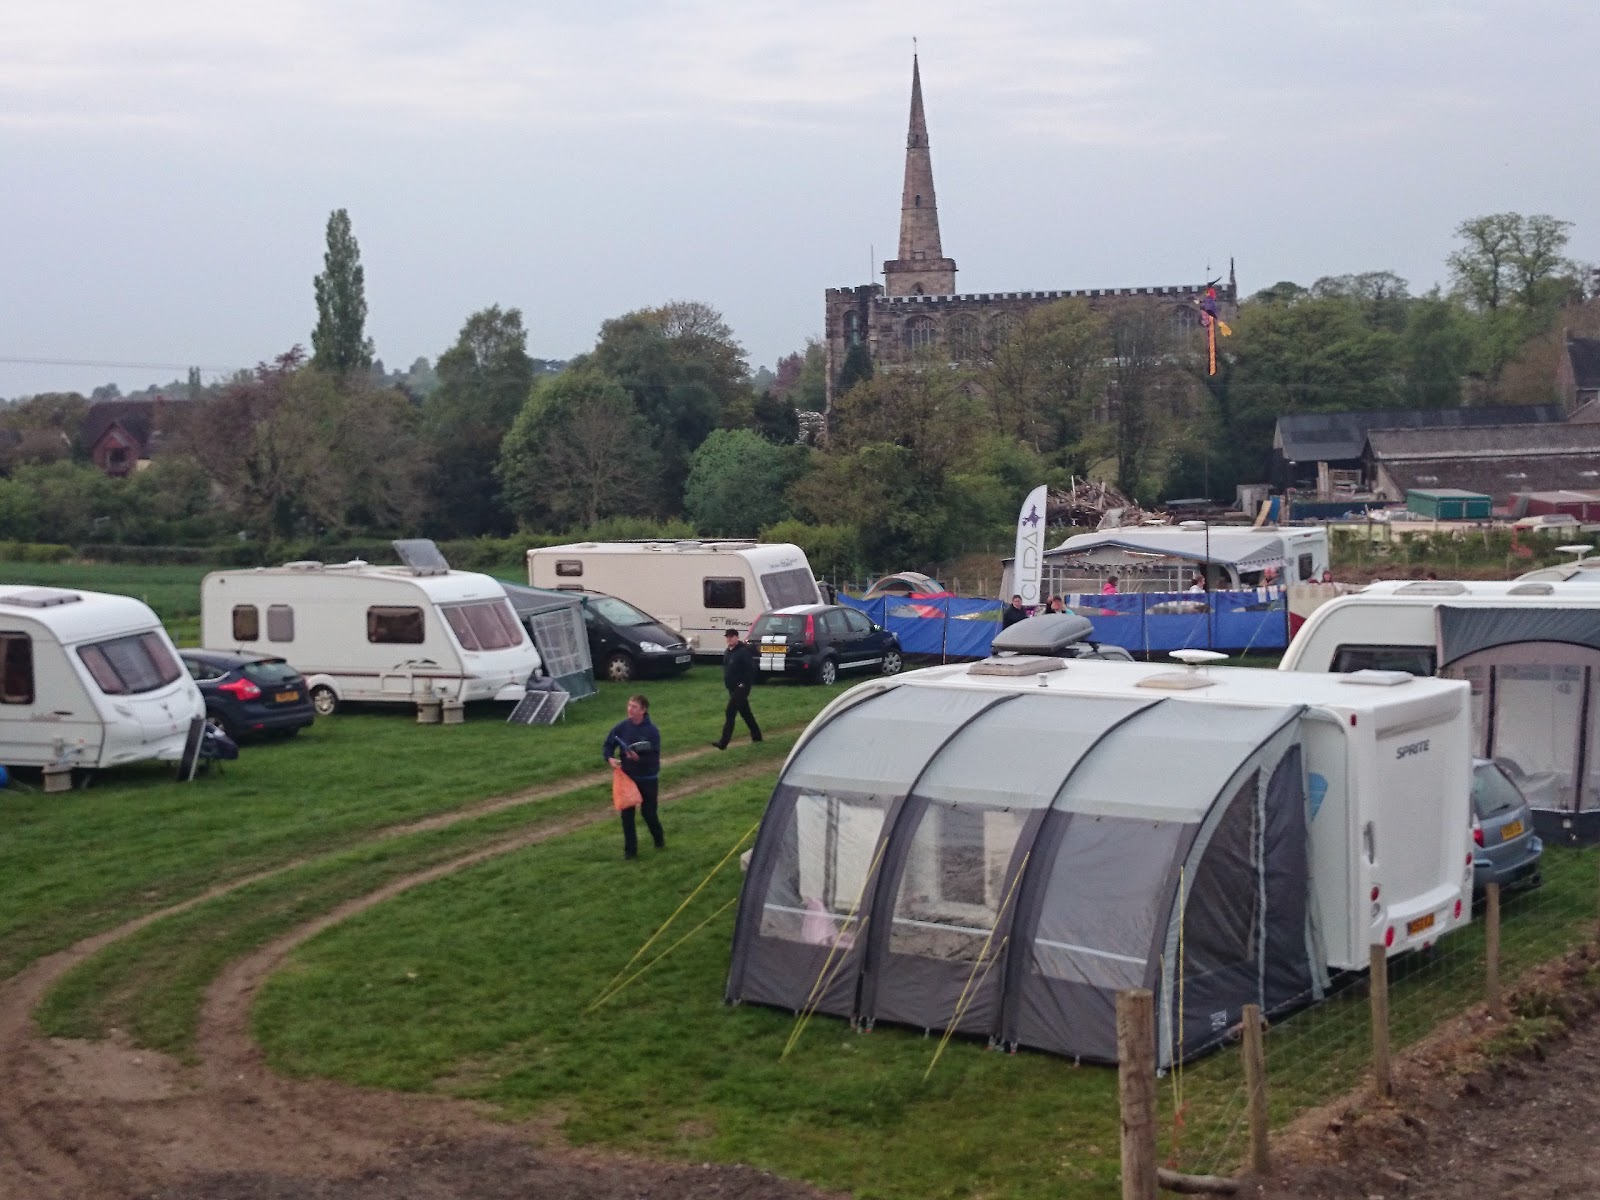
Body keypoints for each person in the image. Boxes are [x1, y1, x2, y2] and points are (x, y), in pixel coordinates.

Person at [603, 693, 663, 860]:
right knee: (627, 815)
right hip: (628, 778)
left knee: (649, 813)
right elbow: (608, 744)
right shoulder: (621, 727)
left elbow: (654, 755)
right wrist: (609, 758)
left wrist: (640, 759)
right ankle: (630, 852)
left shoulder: (652, 731)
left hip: (648, 777)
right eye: (629, 705)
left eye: (634, 707)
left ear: (643, 710)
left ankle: (659, 839)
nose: (630, 709)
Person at [714, 627, 762, 749]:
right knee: (746, 713)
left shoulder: (743, 652)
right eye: (727, 637)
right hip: (732, 688)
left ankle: (723, 742)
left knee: (730, 712)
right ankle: (757, 736)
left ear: (737, 637)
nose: (729, 639)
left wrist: (744, 684)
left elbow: (751, 669)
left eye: (731, 636)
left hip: (741, 688)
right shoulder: (728, 652)